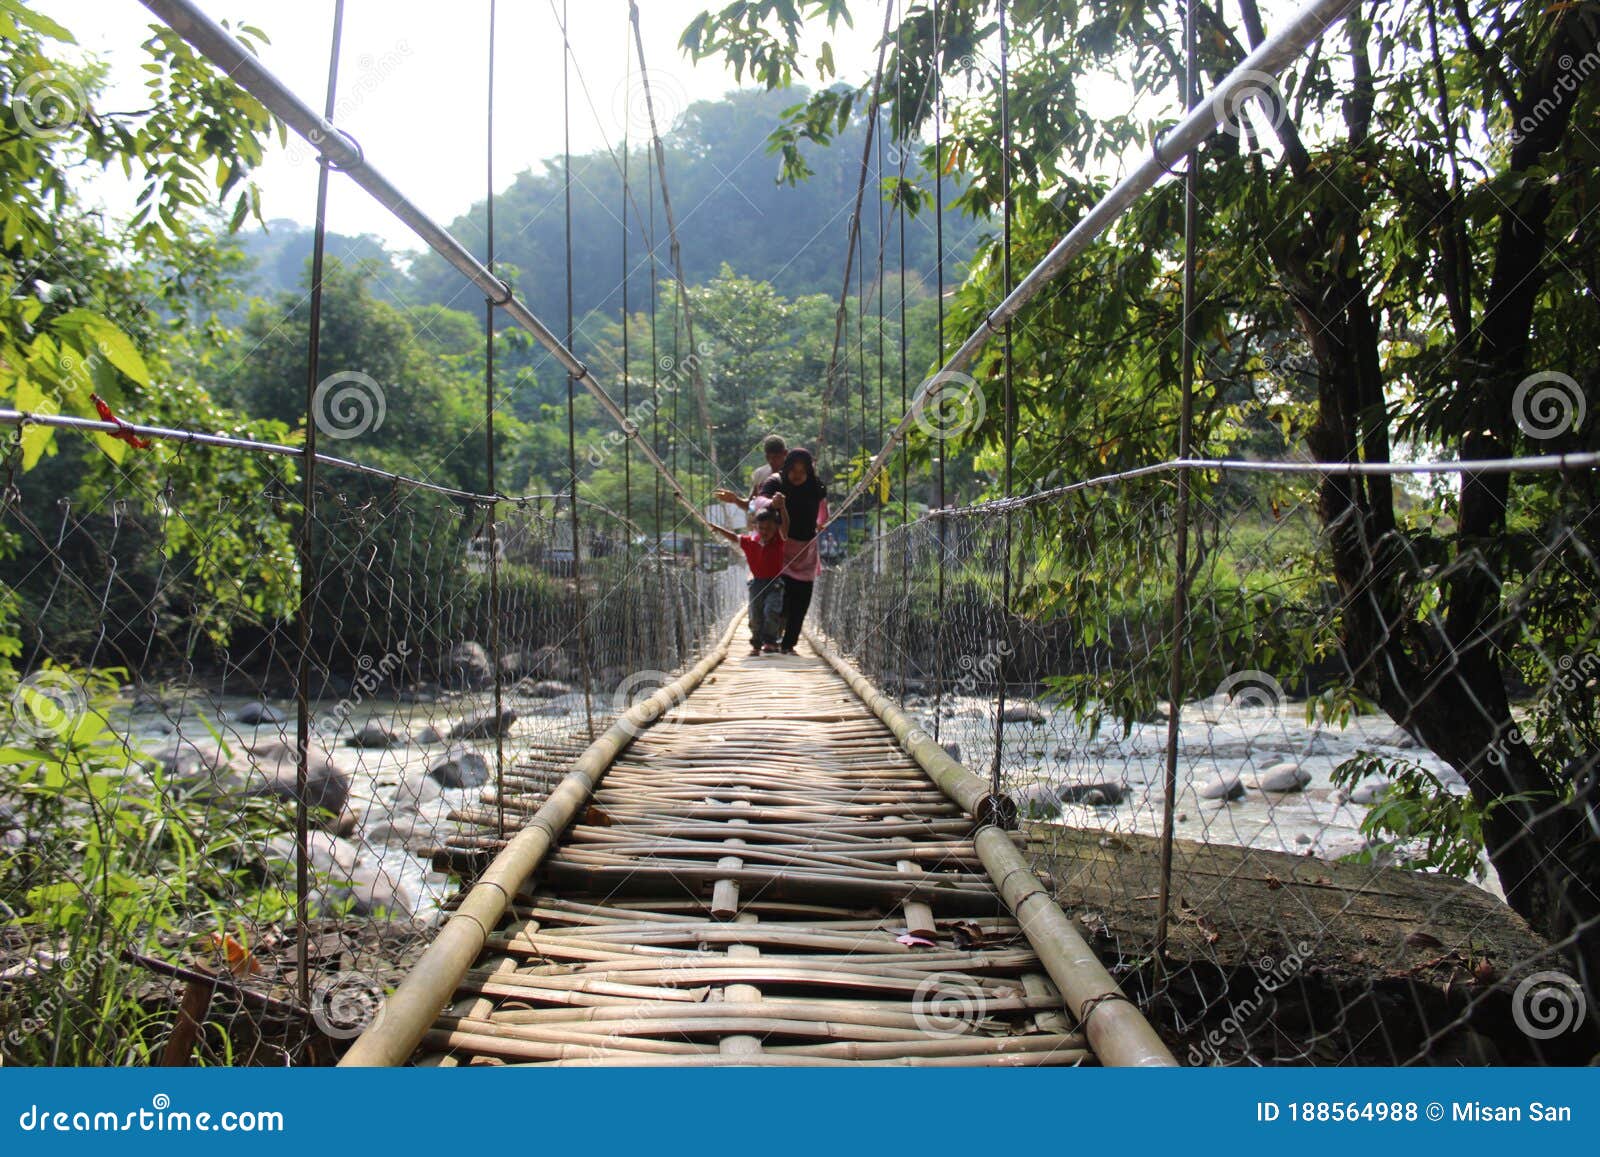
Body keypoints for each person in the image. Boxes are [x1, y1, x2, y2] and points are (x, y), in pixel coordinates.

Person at [760, 448, 827, 654]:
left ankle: (789, 645)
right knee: (783, 600)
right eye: (794, 470)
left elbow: (823, 511)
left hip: (806, 550)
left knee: (802, 601)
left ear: (809, 470)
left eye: (803, 470)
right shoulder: (776, 482)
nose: (797, 475)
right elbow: (757, 503)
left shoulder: (816, 486)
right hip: (782, 549)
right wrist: (773, 503)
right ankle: (773, 636)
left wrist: (820, 523)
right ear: (787, 468)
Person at [708, 494, 789, 654]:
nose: (766, 532)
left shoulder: (779, 541)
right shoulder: (749, 542)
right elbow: (733, 537)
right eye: (762, 528)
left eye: (770, 529)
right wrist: (717, 529)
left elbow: (785, 525)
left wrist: (782, 507)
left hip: (775, 583)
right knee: (755, 615)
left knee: (772, 611)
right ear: (755, 527)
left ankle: (771, 641)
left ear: (776, 528)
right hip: (756, 583)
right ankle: (756, 644)